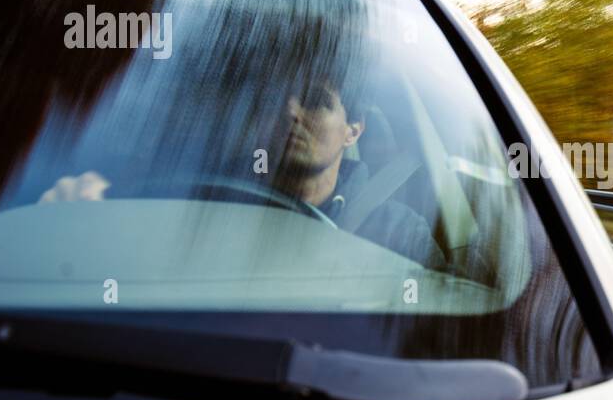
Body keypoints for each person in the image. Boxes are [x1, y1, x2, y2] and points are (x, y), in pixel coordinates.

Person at [39, 77, 444, 269]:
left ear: (353, 130)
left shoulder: (398, 234)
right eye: (277, 100)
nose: (290, 111)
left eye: (316, 101)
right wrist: (81, 219)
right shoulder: (204, 204)